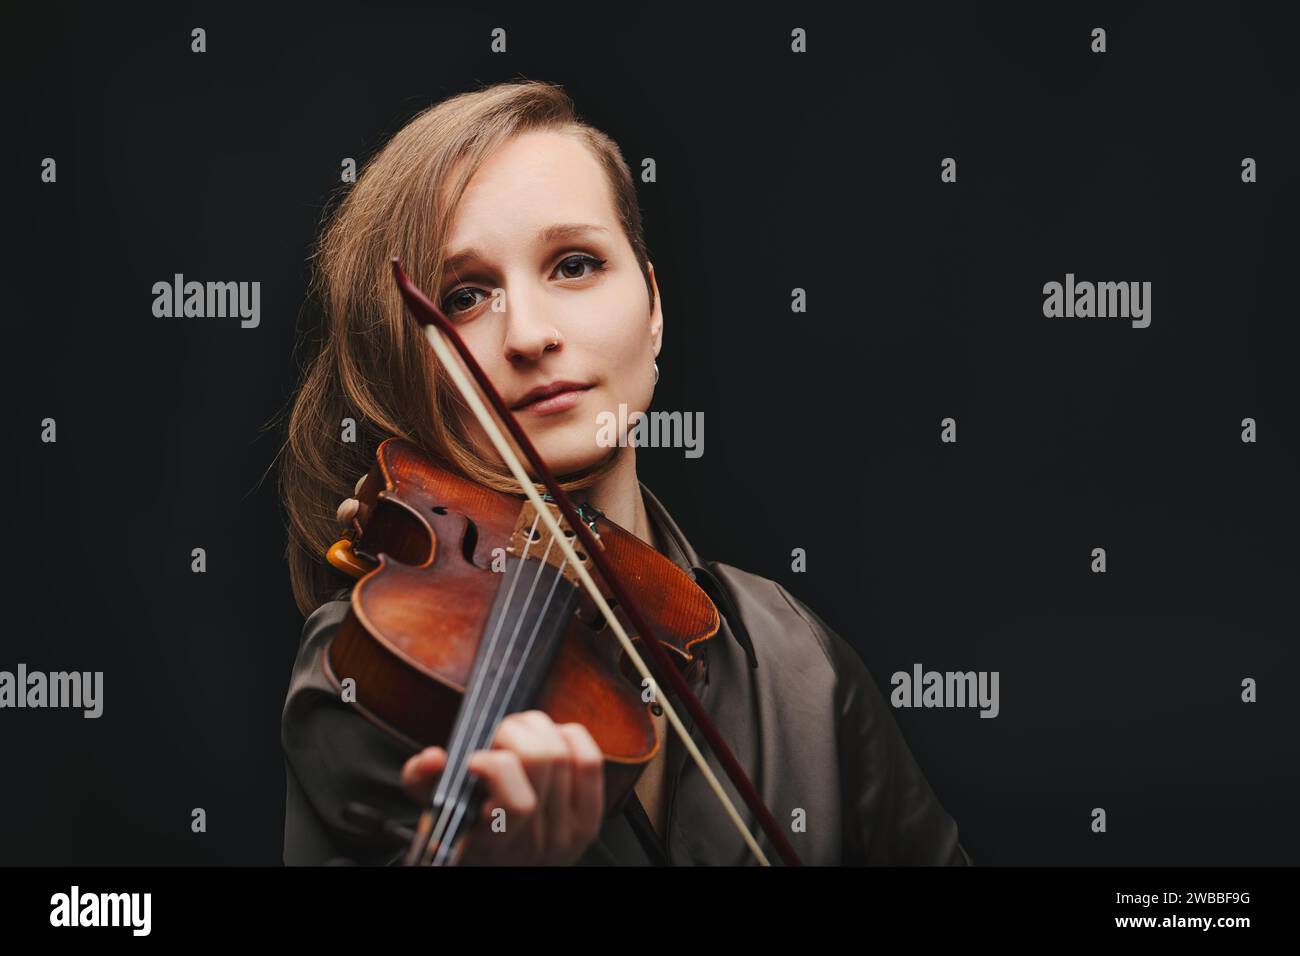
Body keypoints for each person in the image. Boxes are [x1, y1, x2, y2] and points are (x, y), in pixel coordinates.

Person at [278, 79, 971, 866]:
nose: (531, 335)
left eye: (574, 265)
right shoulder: (372, 669)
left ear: (653, 306)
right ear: (410, 362)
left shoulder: (795, 662)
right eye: (465, 296)